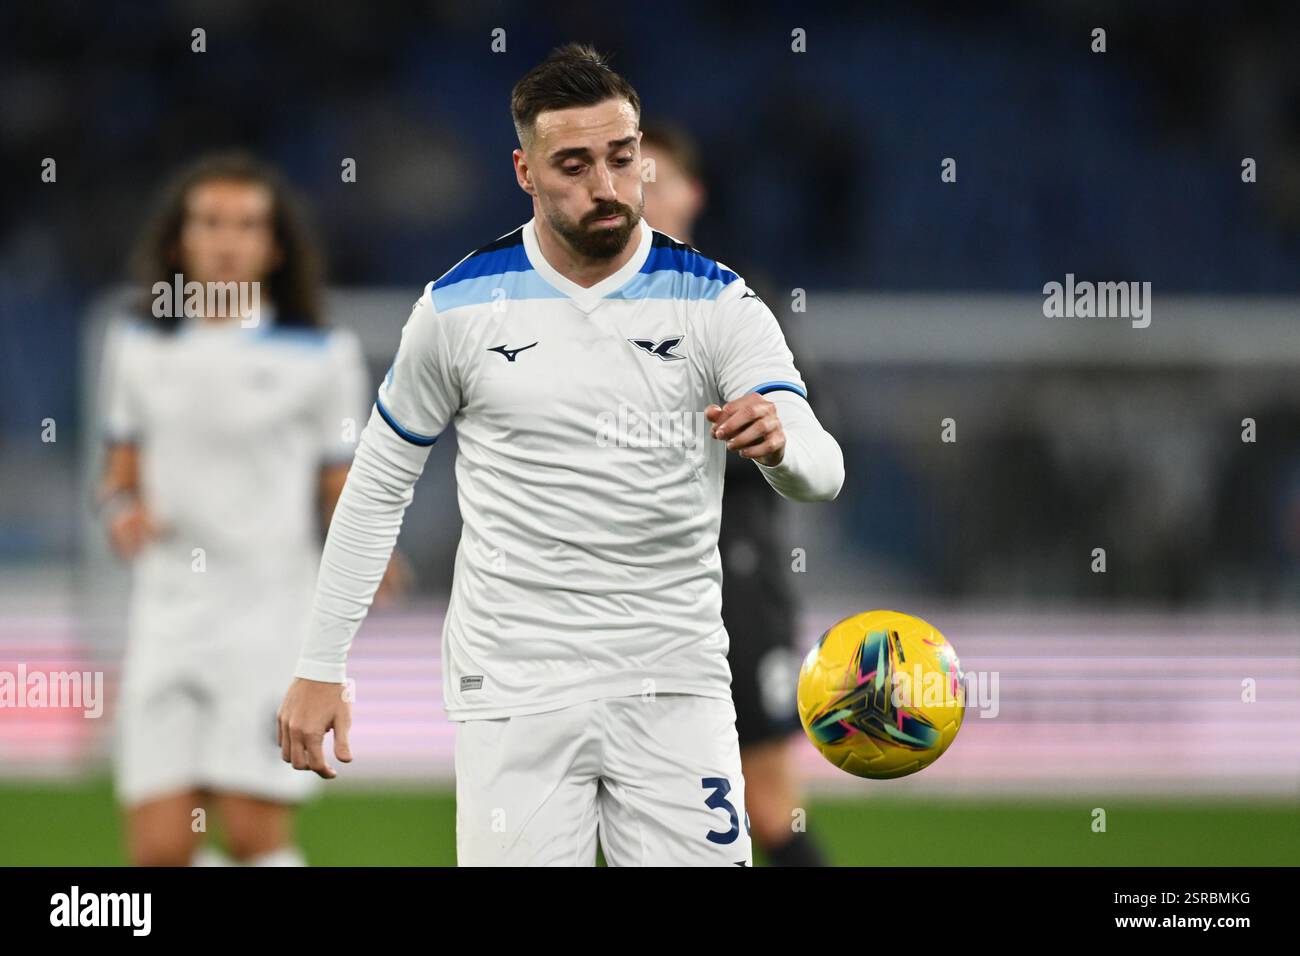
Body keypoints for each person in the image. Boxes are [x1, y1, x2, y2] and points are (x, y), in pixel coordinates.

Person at [278, 43, 844, 866]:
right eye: (573, 165)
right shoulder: (459, 307)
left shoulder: (717, 299)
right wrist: (320, 663)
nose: (606, 186)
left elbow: (822, 467)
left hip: (674, 684)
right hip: (514, 692)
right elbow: (376, 488)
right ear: (525, 171)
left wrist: (784, 444)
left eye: (622, 159)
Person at [97, 152, 398, 866]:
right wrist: (120, 510)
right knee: (160, 850)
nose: (227, 240)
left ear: (273, 245)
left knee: (254, 837)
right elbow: (118, 475)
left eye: (247, 225)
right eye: (209, 222)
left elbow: (341, 486)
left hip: (268, 620)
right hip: (167, 616)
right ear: (179, 240)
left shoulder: (321, 354)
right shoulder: (138, 343)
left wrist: (368, 550)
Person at [640, 121, 829, 866]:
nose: (642, 196)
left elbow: (812, 428)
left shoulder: (733, 304)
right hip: (622, 591)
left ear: (694, 194)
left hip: (734, 577)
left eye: (659, 180)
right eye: (631, 180)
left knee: (766, 803)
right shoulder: (574, 311)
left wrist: (760, 430)